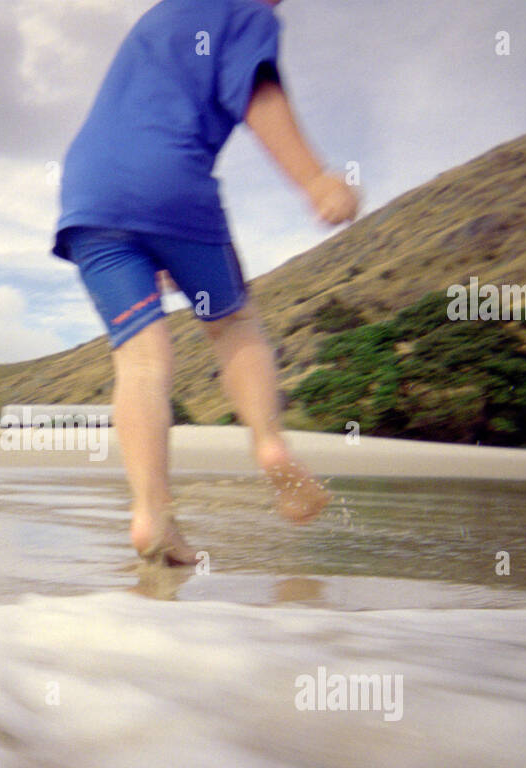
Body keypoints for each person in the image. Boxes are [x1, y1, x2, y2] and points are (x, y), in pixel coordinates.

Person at [52, 0, 359, 565]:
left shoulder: (164, 13)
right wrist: (314, 180)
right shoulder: (246, 12)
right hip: (171, 179)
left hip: (87, 193)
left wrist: (148, 232)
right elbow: (259, 97)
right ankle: (268, 445)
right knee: (233, 324)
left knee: (140, 362)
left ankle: (152, 514)